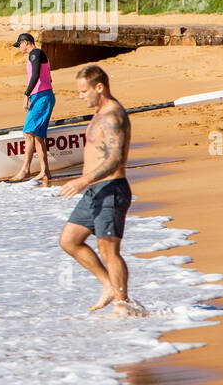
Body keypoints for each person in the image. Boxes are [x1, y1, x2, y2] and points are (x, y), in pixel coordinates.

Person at [58, 64, 144, 316]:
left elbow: (116, 158)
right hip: (94, 192)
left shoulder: (113, 116)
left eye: (84, 91)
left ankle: (122, 303)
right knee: (69, 240)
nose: (81, 96)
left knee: (108, 249)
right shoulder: (99, 113)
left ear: (99, 87)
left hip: (112, 189)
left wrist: (82, 181)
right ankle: (107, 285)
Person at [11, 32, 55, 183]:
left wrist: (27, 94)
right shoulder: (40, 54)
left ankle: (25, 170)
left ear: (25, 42)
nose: (19, 48)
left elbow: (35, 75)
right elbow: (48, 77)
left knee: (28, 133)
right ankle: (45, 172)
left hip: (41, 96)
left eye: (19, 45)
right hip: (45, 95)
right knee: (38, 137)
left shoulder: (35, 53)